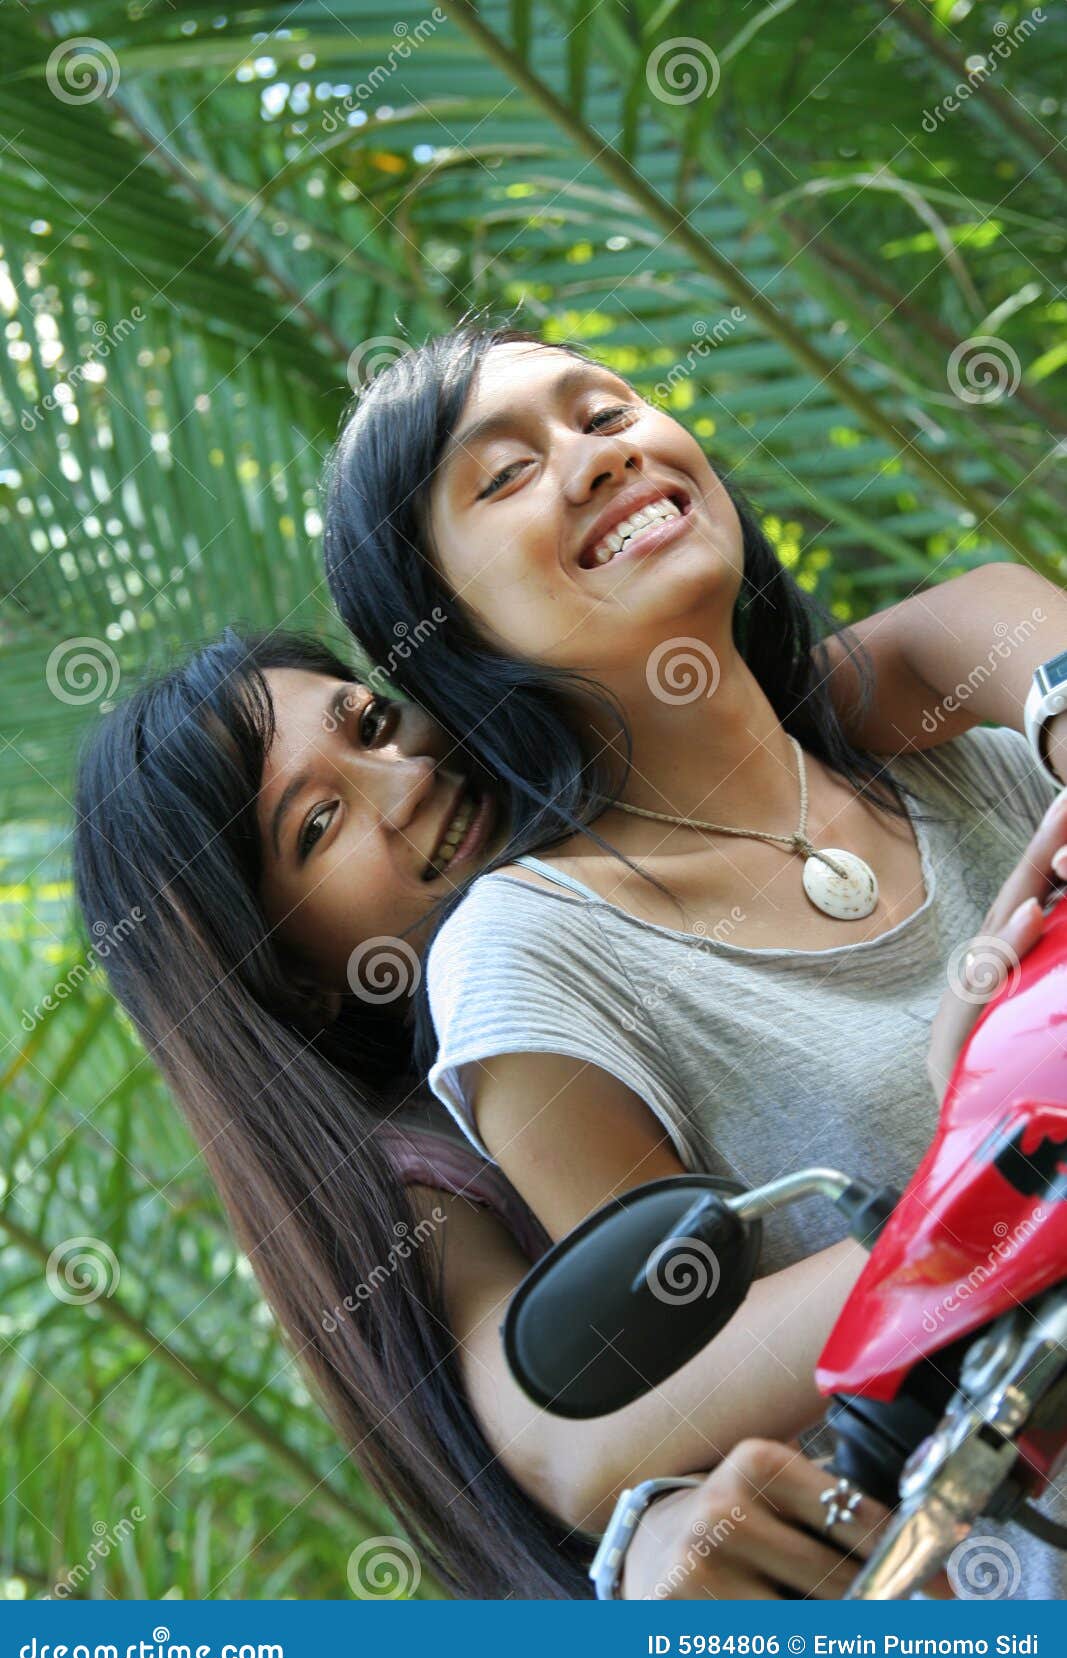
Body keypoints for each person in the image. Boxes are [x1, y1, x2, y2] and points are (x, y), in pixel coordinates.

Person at [74, 607, 1064, 1597]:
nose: (404, 781)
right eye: (317, 824)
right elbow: (567, 1444)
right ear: (290, 978)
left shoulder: (660, 797)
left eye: (370, 725)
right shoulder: (413, 1170)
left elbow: (937, 633)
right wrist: (988, 1205)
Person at [319, 320, 1067, 1590]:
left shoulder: (979, 747)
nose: (595, 457)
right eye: (502, 475)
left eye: (605, 413)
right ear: (447, 634)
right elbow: (713, 1411)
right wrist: (984, 1148)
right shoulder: (532, 952)